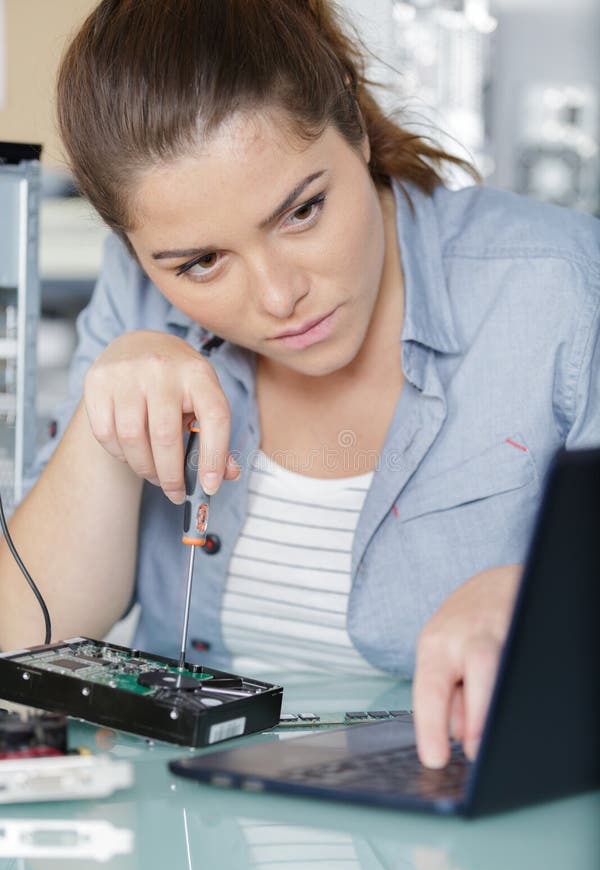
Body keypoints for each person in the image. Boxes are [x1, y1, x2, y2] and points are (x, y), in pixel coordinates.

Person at [0, 0, 598, 770]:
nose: (280, 296)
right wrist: (102, 416)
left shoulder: (566, 291)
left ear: (353, 124)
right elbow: (25, 648)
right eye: (201, 263)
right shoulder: (141, 297)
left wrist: (545, 600)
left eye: (302, 211)